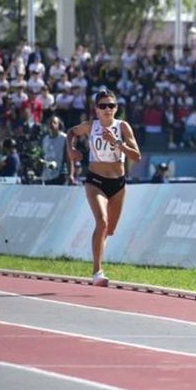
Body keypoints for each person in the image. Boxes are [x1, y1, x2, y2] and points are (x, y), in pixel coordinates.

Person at [67, 90, 141, 286]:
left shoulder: (123, 127)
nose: (107, 109)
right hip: (95, 181)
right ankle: (97, 271)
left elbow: (137, 157)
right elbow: (71, 133)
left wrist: (117, 143)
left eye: (111, 105)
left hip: (118, 183)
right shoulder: (91, 126)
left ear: (116, 108)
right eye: (103, 106)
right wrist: (71, 150)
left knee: (110, 229)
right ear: (96, 110)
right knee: (102, 220)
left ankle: (98, 249)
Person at [41, 115, 73, 185]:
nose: (52, 125)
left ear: (59, 125)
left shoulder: (64, 138)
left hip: (60, 174)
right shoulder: (45, 139)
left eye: (54, 123)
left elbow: (69, 158)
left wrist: (71, 174)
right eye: (50, 123)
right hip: (47, 175)